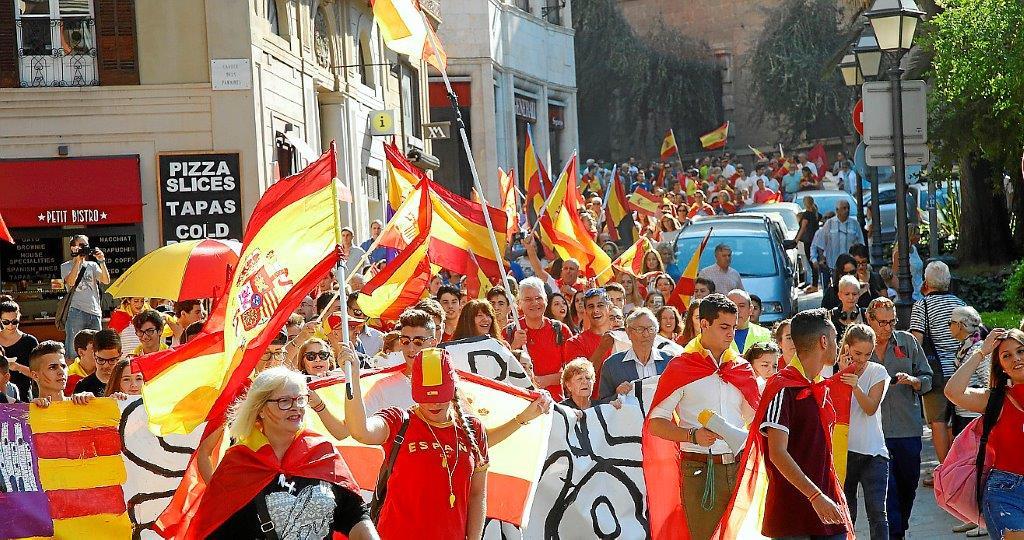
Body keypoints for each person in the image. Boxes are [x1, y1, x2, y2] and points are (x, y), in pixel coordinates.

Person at [189, 367, 377, 539]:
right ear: (261, 409)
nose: (296, 407)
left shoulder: (322, 452)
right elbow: (213, 529)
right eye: (284, 401)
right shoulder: (238, 462)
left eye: (300, 399)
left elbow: (355, 514)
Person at [643, 294, 760, 540]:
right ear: (704, 325)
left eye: (734, 327)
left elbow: (756, 423)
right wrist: (692, 435)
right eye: (724, 327)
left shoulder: (741, 368)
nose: (731, 334)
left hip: (739, 468)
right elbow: (655, 423)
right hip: (700, 470)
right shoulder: (681, 367)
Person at [344, 348, 487, 540]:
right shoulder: (398, 421)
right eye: (426, 396)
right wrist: (352, 378)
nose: (433, 404)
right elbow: (360, 432)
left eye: (440, 396)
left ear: (453, 387)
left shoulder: (474, 429)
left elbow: (477, 495)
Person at [759, 308, 850, 539]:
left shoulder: (820, 386)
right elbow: (777, 453)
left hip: (828, 510)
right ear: (823, 341)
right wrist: (815, 496)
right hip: (792, 517)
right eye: (835, 338)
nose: (837, 343)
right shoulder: (783, 388)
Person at [944, 328, 1024, 537]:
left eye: (1021, 351)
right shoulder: (996, 399)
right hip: (1006, 492)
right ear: (1002, 367)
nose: (1016, 359)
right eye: (1007, 356)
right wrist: (981, 352)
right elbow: (953, 392)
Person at [866, 297, 933, 540]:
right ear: (869, 319)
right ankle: (894, 534)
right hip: (874, 433)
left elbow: (927, 378)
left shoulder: (908, 341)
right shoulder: (860, 343)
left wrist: (915, 381)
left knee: (908, 485)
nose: (887, 327)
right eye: (882, 322)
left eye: (891, 321)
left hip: (907, 429)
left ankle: (899, 529)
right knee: (886, 493)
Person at [909, 260, 966, 473]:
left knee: (938, 422)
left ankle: (945, 471)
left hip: (935, 372)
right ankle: (958, 468)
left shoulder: (922, 305)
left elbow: (916, 340)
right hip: (961, 371)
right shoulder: (960, 304)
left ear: (926, 281)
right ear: (948, 281)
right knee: (955, 419)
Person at [837, 323, 890, 540]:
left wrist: (855, 386)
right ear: (847, 348)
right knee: (847, 512)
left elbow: (870, 408)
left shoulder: (878, 371)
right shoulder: (830, 369)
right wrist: (840, 374)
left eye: (867, 354)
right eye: (857, 353)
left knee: (877, 512)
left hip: (873, 452)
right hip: (843, 452)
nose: (861, 360)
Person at [945, 305, 991, 537]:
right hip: (963, 416)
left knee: (979, 468)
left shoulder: (978, 350)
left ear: (962, 325)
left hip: (976, 417)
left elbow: (988, 384)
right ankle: (971, 516)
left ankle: (982, 520)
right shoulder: (964, 349)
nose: (950, 326)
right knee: (969, 469)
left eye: (952, 322)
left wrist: (969, 396)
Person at [504, 279, 572, 399]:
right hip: (519, 402)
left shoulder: (561, 331)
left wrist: (546, 380)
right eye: (528, 299)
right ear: (519, 303)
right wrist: (514, 346)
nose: (535, 303)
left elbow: (573, 371)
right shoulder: (508, 332)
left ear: (546, 300)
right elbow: (499, 369)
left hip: (555, 404)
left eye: (538, 298)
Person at [598, 309, 672, 403]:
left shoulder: (669, 362)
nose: (646, 334)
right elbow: (602, 404)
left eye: (650, 329)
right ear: (629, 333)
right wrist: (617, 395)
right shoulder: (612, 365)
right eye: (640, 329)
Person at [60, 235, 110, 359]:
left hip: (94, 311)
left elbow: (106, 280)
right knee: (73, 349)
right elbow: (70, 283)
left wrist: (101, 261)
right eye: (81, 245)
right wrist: (77, 261)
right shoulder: (65, 266)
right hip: (75, 311)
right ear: (73, 248)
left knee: (97, 348)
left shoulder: (92, 265)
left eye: (86, 245)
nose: (84, 248)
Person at [564, 288, 615, 394]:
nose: (596, 310)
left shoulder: (623, 338)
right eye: (591, 306)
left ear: (609, 308)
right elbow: (580, 380)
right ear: (585, 311)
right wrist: (602, 349)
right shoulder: (574, 343)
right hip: (592, 404)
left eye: (600, 305)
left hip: (623, 402)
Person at [27, 341, 97, 409]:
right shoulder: (27, 412)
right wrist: (30, 411)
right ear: (35, 376)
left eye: (63, 366)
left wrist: (93, 403)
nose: (61, 372)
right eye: (52, 367)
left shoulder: (81, 403)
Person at [0, 298, 39, 400]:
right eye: (6, 322)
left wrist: (18, 367)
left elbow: (39, 374)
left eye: (14, 321)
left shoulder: (30, 341)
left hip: (23, 395)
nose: (11, 325)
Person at [820, 201, 861, 283]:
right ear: (837, 210)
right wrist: (822, 258)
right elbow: (821, 243)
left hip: (850, 265)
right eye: (844, 208)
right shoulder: (829, 224)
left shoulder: (854, 224)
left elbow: (860, 242)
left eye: (848, 208)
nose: (847, 210)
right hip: (833, 264)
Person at [74, 329, 121, 396]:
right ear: (94, 355)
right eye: (101, 360)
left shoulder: (128, 383)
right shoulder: (83, 386)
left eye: (112, 360)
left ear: (120, 356)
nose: (106, 365)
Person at [726, 289, 773, 355]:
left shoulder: (765, 334)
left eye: (741, 306)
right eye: (732, 305)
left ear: (750, 309)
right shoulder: (716, 334)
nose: (737, 310)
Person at [796, 196, 822, 292]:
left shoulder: (806, 215)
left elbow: (803, 229)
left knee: (812, 262)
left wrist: (796, 240)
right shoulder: (815, 213)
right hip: (816, 240)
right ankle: (815, 283)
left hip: (808, 241)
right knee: (814, 261)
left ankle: (814, 285)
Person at [830, 275, 867, 340]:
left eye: (854, 294)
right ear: (839, 295)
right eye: (847, 294)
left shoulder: (866, 314)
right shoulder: (831, 315)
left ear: (859, 294)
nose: (851, 298)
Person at [64, 329, 96, 396]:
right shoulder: (67, 377)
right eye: (95, 349)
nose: (100, 353)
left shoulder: (108, 373)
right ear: (81, 352)